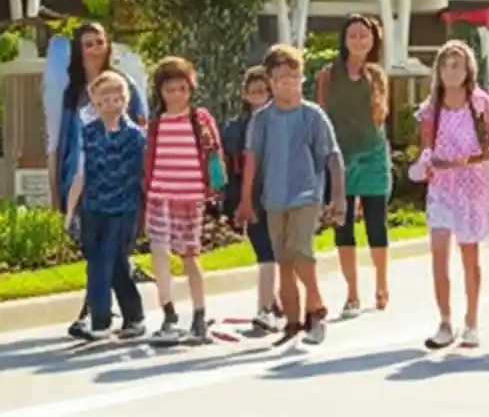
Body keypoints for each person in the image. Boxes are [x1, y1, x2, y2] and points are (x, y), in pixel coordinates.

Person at [238, 44, 345, 345]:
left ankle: (317, 305)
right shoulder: (262, 119)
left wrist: (338, 198)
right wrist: (246, 200)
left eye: (294, 76)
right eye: (281, 78)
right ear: (270, 82)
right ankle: (295, 321)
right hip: (274, 198)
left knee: (301, 250)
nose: (289, 83)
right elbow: (251, 159)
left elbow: (332, 157)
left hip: (306, 194)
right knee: (284, 260)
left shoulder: (313, 116)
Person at [47, 22, 149, 337]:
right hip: (88, 190)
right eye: (87, 43)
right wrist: (60, 197)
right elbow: (60, 144)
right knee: (105, 257)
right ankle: (132, 315)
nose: (94, 48)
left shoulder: (126, 92)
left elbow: (145, 153)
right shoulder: (72, 95)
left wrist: (148, 199)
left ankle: (98, 319)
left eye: (99, 42)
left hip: (123, 197)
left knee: (105, 259)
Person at [408, 39, 489, 349]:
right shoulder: (431, 107)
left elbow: (488, 149)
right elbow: (427, 147)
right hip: (442, 189)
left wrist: (461, 162)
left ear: (468, 69)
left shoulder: (480, 103)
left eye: (457, 63)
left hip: (472, 188)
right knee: (438, 254)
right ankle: (445, 321)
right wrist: (426, 164)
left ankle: (472, 321)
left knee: (469, 255)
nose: (451, 70)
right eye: (445, 64)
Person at [315, 14, 393, 319]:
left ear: (373, 41)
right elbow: (322, 114)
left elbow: (380, 116)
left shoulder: (377, 75)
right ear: (344, 40)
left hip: (372, 155)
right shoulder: (327, 74)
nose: (358, 41)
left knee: (376, 223)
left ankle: (382, 285)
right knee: (342, 225)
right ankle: (352, 293)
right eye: (353, 35)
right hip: (339, 156)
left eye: (364, 35)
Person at [143, 56, 223, 344]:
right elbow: (149, 160)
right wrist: (147, 186)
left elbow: (215, 156)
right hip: (159, 195)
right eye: (170, 90)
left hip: (190, 196)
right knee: (159, 252)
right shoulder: (156, 123)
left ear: (190, 89)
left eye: (182, 88)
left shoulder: (199, 119)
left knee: (190, 255)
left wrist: (216, 189)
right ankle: (169, 314)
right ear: (160, 92)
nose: (176, 95)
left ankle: (199, 315)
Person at [64, 71, 148, 340]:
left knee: (101, 264)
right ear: (95, 103)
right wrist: (70, 211)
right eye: (105, 99)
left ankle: (100, 321)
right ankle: (134, 317)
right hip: (93, 208)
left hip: (124, 209)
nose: (111, 103)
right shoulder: (88, 134)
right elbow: (81, 175)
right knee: (112, 265)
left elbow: (145, 175)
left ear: (125, 100)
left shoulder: (137, 137)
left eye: (117, 98)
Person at [221, 66, 281, 331]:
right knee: (264, 250)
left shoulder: (282, 122)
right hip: (249, 196)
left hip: (278, 194)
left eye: (263, 91)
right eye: (253, 91)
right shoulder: (235, 128)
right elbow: (231, 166)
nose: (258, 95)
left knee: (271, 252)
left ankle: (265, 307)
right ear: (245, 95)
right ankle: (272, 304)